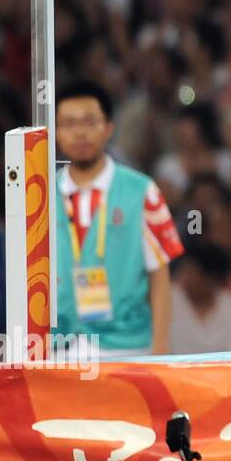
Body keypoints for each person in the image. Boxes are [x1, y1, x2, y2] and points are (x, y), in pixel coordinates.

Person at [54, 81, 185, 356]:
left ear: (109, 128)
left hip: (129, 347)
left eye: (90, 122)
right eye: (68, 123)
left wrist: (160, 348)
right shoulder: (40, 199)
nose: (79, 133)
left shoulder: (143, 191)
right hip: (58, 349)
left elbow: (159, 275)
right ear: (55, 132)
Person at [169, 241, 231, 355]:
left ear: (211, 278)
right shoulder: (169, 302)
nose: (185, 277)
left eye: (191, 272)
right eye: (185, 271)